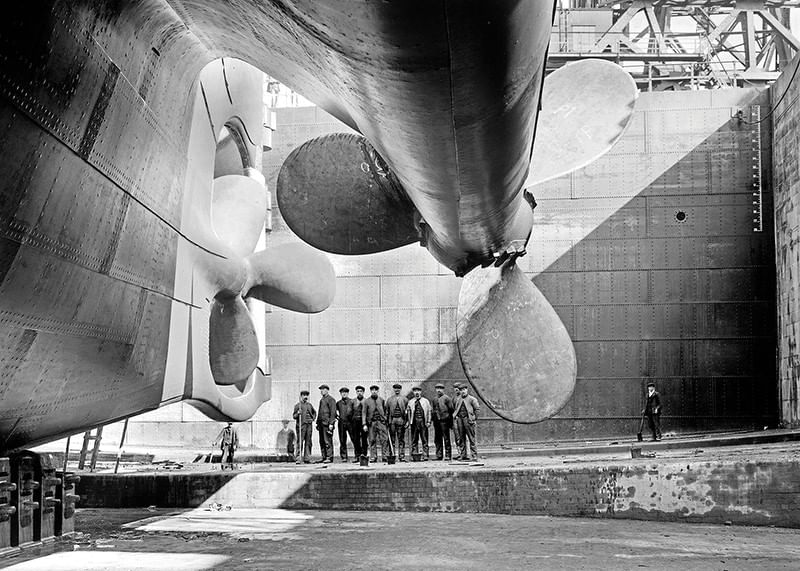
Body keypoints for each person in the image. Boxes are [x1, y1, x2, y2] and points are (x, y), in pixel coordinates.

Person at [453, 384, 480, 461]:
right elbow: (456, 409)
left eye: (464, 389)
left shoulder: (472, 399)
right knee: (461, 439)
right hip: (460, 420)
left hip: (469, 420)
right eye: (461, 390)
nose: (463, 391)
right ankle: (463, 455)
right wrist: (456, 417)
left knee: (471, 438)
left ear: (467, 390)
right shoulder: (458, 399)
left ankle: (474, 456)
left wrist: (474, 418)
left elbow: (477, 409)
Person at [362, 385, 389, 462]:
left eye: (376, 390)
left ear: (378, 391)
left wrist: (385, 419)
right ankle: (373, 456)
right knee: (372, 440)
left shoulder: (381, 400)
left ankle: (384, 456)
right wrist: (364, 424)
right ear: (370, 391)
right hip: (372, 423)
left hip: (381, 422)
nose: (374, 391)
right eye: (372, 390)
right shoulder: (366, 401)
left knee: (384, 439)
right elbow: (364, 413)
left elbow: (386, 411)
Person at [406, 386, 432, 460]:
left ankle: (426, 454)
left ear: (421, 392)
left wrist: (429, 421)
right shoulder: (410, 402)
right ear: (413, 393)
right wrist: (408, 422)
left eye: (418, 391)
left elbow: (429, 411)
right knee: (414, 439)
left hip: (423, 422)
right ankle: (414, 455)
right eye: (415, 391)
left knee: (424, 439)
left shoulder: (425, 401)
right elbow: (408, 413)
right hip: (414, 422)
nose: (417, 393)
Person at [385, 383, 408, 461]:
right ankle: (392, 455)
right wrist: (387, 421)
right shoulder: (390, 399)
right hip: (392, 421)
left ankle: (402, 456)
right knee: (392, 439)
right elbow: (387, 412)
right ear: (393, 389)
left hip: (401, 420)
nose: (397, 390)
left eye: (398, 388)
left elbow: (407, 411)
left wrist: (407, 421)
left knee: (401, 439)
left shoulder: (404, 399)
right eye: (395, 388)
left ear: (400, 389)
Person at [292, 390, 316, 463]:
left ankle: (307, 458)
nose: (305, 397)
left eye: (306, 395)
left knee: (308, 442)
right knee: (300, 442)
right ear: (301, 396)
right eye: (304, 395)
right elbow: (294, 416)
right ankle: (298, 458)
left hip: (309, 425)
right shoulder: (298, 405)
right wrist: (298, 413)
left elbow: (314, 412)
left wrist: (313, 418)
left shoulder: (309, 405)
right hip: (301, 426)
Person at [432, 383, 454, 461]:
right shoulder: (434, 399)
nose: (439, 390)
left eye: (440, 388)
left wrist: (450, 422)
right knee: (437, 439)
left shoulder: (447, 398)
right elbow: (434, 410)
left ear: (443, 389)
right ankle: (439, 455)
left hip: (445, 421)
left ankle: (448, 455)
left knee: (446, 438)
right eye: (437, 388)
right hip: (437, 422)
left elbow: (451, 410)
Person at [317, 384, 337, 463]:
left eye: (323, 389)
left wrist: (331, 423)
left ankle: (329, 457)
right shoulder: (322, 400)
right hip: (321, 424)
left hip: (327, 424)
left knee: (327, 441)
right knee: (321, 441)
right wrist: (318, 423)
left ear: (327, 390)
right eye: (321, 390)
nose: (321, 391)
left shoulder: (331, 399)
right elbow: (320, 412)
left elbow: (333, 412)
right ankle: (324, 456)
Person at [336, 387, 355, 462]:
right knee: (342, 440)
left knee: (354, 439)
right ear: (340, 394)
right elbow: (334, 412)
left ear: (348, 393)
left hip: (350, 423)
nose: (344, 394)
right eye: (342, 392)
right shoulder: (338, 403)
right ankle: (344, 457)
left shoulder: (352, 402)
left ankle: (357, 455)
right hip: (341, 423)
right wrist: (339, 418)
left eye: (345, 392)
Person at [351, 385, 368, 461]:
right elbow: (350, 412)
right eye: (358, 391)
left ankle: (364, 455)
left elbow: (368, 412)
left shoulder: (366, 401)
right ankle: (357, 455)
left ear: (363, 392)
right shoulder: (353, 401)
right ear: (356, 392)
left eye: (361, 391)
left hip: (364, 422)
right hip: (355, 422)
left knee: (364, 439)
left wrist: (365, 424)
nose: (359, 393)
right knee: (356, 439)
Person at [451, 382, 463, 456]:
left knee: (463, 436)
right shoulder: (454, 398)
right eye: (455, 388)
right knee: (457, 436)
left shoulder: (464, 397)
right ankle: (460, 453)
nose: (456, 389)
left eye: (458, 387)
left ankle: (464, 453)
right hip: (456, 419)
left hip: (463, 419)